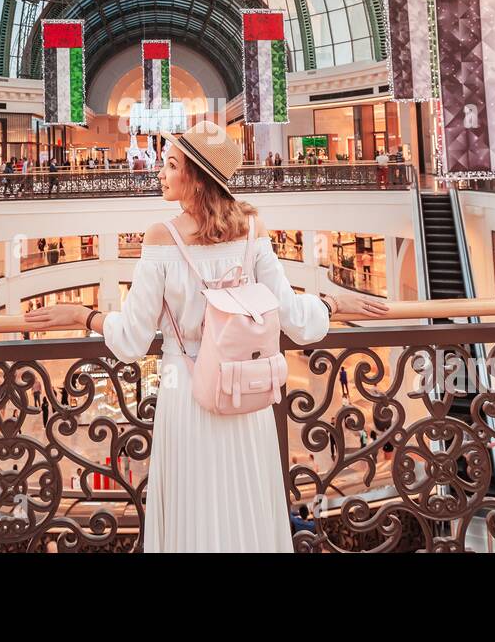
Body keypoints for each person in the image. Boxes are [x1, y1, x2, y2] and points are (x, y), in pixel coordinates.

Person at [23, 120, 389, 552]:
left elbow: (131, 339)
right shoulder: (252, 231)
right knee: (245, 506)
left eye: (171, 165)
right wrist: (331, 304)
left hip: (188, 393)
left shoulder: (162, 238)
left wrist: (82, 315)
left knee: (192, 511)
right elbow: (295, 319)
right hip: (244, 396)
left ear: (195, 177)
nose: (160, 172)